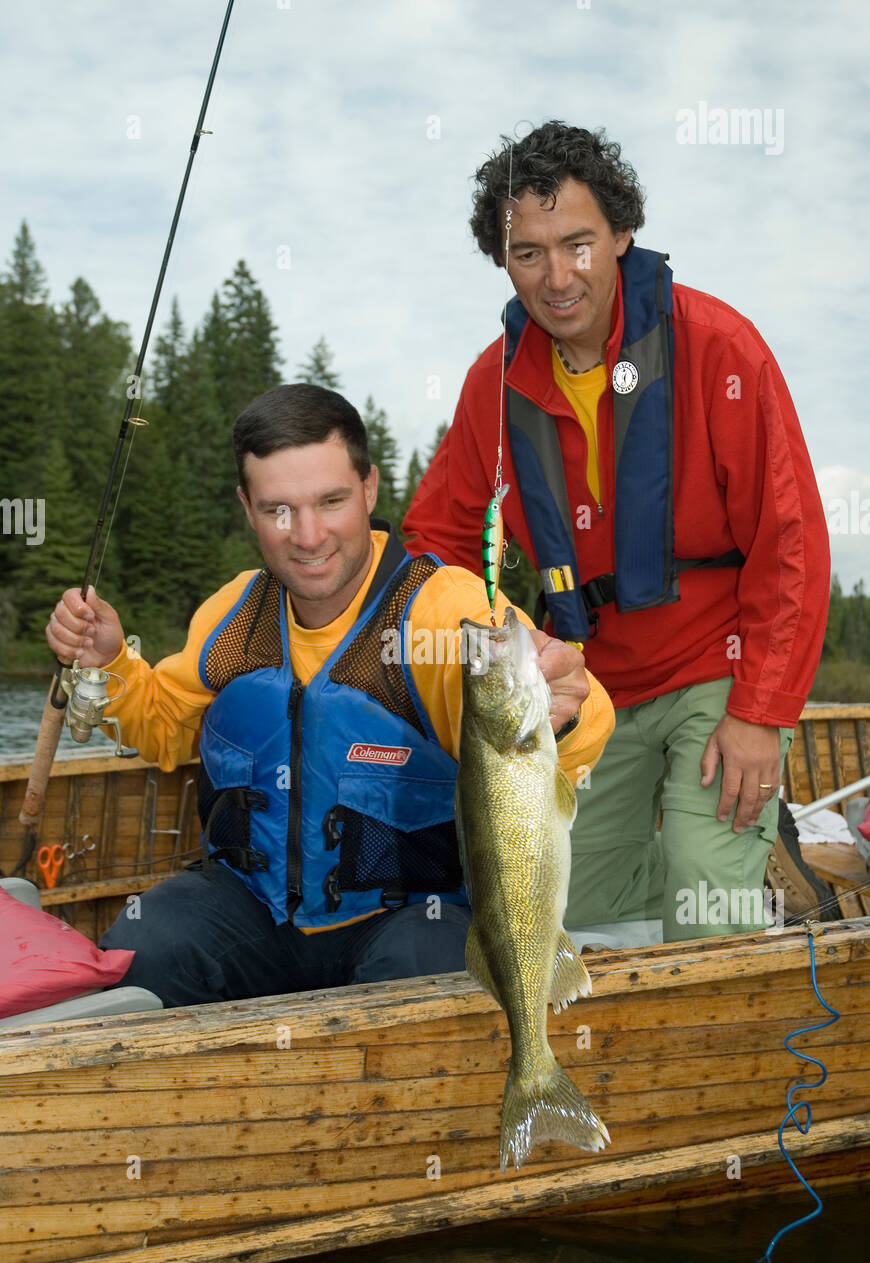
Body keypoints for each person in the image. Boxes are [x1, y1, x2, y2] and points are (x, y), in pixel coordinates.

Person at [45, 384, 615, 1006]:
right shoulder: (230, 617)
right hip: (254, 910)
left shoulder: (441, 609)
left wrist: (561, 706)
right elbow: (159, 728)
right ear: (247, 507)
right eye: (278, 510)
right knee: (141, 944)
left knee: (424, 975)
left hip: (407, 917)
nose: (308, 535)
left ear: (369, 489)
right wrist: (110, 663)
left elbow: (578, 721)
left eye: (331, 501)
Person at [403, 121, 831, 942]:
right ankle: (718, 860)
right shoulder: (489, 388)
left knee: (711, 915)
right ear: (503, 261)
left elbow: (793, 544)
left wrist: (761, 713)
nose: (558, 277)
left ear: (623, 233)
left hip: (718, 666)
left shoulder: (720, 347)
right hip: (585, 685)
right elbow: (437, 549)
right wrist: (504, 645)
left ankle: (734, 869)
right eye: (528, 253)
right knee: (567, 910)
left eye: (579, 243)